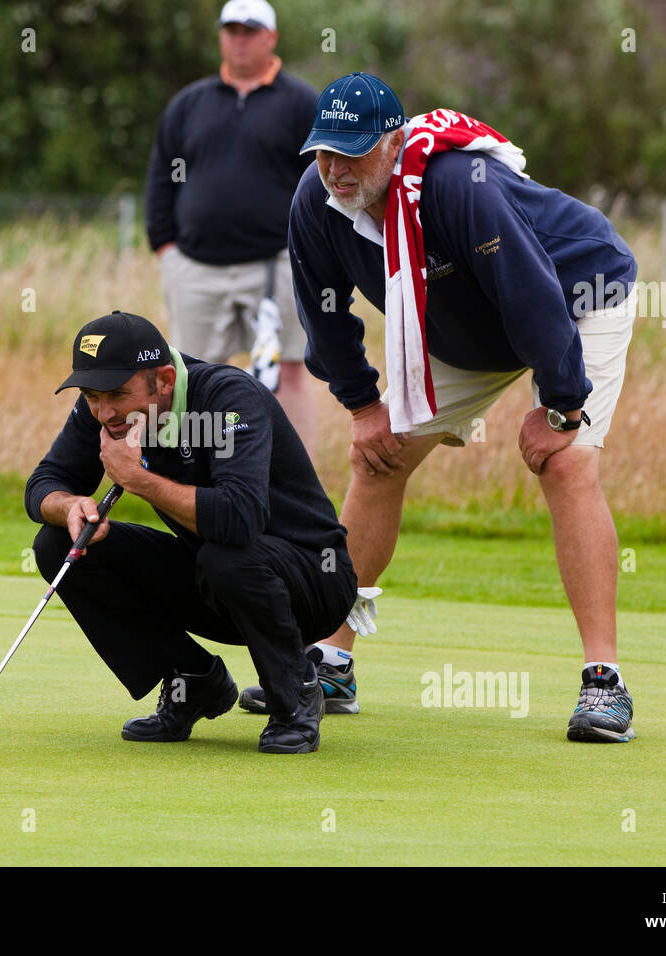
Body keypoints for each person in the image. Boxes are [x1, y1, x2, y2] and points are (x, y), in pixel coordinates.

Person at [238, 72, 641, 743]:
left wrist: (563, 409)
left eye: (354, 152)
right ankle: (330, 660)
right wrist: (363, 408)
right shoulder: (316, 200)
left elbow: (534, 298)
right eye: (325, 153)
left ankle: (604, 681)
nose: (337, 170)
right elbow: (325, 317)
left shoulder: (458, 188)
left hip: (575, 295)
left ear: (394, 143)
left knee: (567, 466)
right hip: (458, 326)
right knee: (377, 461)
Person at [24, 310, 358, 753]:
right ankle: (192, 680)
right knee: (58, 543)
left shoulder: (228, 396)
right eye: (91, 396)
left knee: (226, 555)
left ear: (163, 380)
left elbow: (240, 520)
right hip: (221, 579)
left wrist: (138, 479)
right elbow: (42, 485)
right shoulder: (109, 410)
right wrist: (70, 506)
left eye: (117, 395)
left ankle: (294, 697)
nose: (104, 412)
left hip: (314, 582)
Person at [144, 0, 320, 449]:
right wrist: (165, 248)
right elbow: (163, 175)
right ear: (222, 36)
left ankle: (295, 492)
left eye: (250, 30)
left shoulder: (302, 102)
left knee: (289, 371)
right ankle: (199, 483)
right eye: (232, 30)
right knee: (191, 378)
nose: (240, 39)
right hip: (197, 268)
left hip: (278, 263)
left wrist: (314, 253)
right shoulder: (190, 103)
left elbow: (324, 180)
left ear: (271, 38)